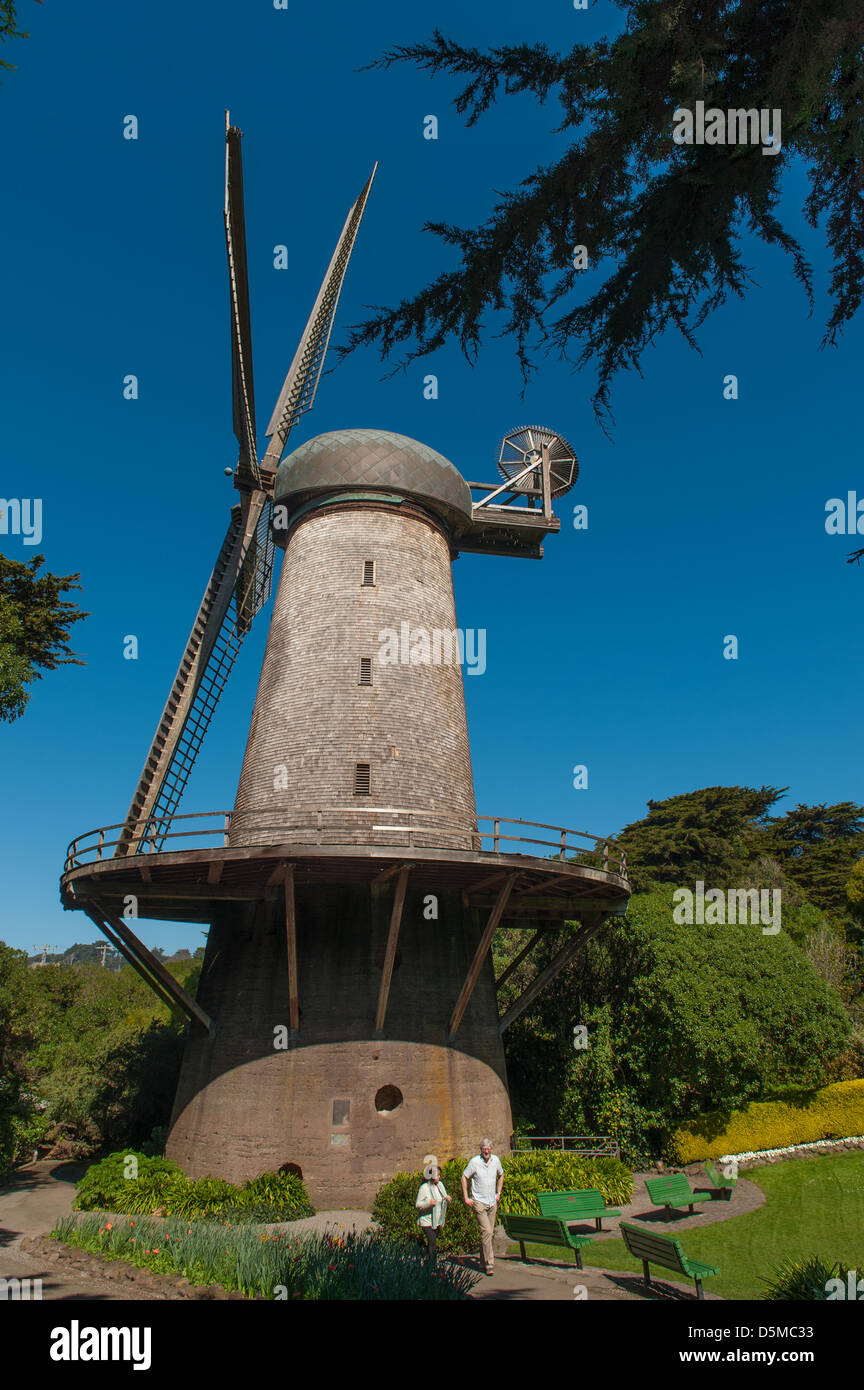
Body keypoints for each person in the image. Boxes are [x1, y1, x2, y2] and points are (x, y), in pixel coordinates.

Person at [461, 1137, 504, 1275]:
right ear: (481, 1149)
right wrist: (466, 1197)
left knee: (488, 1235)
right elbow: (464, 1177)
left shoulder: (496, 1160)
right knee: (487, 1232)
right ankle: (489, 1263)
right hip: (479, 1202)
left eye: (488, 1148)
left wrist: (498, 1193)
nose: (486, 1151)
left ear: (491, 1149)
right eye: (484, 1149)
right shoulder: (474, 1162)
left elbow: (501, 1175)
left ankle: (481, 1263)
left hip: (492, 1202)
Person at [415, 1162, 450, 1258]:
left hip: (436, 1221)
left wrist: (446, 1198)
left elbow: (442, 1197)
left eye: (439, 1175)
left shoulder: (439, 1186)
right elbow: (418, 1204)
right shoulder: (424, 1188)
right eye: (437, 1175)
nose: (439, 1177)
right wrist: (428, 1203)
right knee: (432, 1241)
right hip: (426, 1221)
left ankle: (424, 1256)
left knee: (432, 1242)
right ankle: (432, 1265)